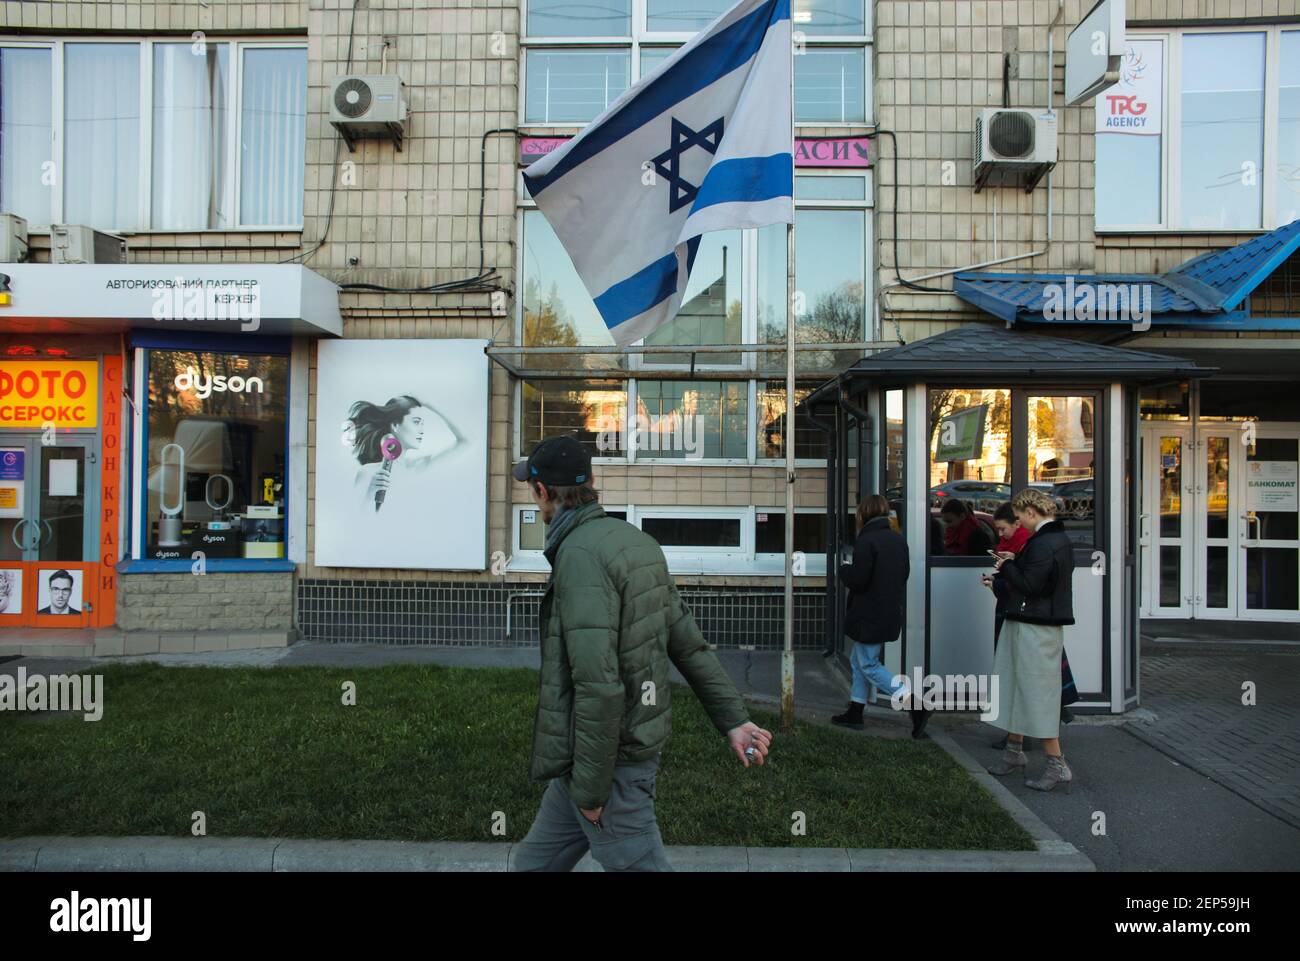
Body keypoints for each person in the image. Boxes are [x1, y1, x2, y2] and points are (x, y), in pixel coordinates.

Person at [511, 435, 773, 872]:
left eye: (531, 489)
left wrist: (593, 793)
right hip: (587, 762)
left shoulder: (579, 556)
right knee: (533, 865)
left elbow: (598, 685)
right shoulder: (634, 542)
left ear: (540, 492)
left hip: (608, 767)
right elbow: (688, 643)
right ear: (593, 481)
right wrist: (734, 719)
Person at [987, 489, 1075, 793]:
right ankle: (1015, 751)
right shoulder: (1055, 541)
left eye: (1021, 516)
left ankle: (1056, 763)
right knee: (1019, 687)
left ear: (1032, 512)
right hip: (1036, 623)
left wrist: (1005, 566)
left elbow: (1030, 585)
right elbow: (1043, 580)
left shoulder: (1042, 543)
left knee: (1035, 694)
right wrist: (1015, 560)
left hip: (1034, 626)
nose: (1019, 522)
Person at [832, 494, 929, 738]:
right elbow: (903, 574)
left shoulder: (867, 541)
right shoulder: (897, 540)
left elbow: (859, 579)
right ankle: (855, 711)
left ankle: (914, 705)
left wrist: (843, 570)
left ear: (863, 514)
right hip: (887, 610)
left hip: (868, 613)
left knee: (869, 664)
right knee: (858, 660)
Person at [345, 395, 459, 512]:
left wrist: (430, 405)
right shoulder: (368, 472)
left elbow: (466, 440)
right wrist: (370, 495)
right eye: (416, 422)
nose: (422, 430)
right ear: (395, 425)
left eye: (422, 424)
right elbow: (354, 519)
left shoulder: (419, 466)